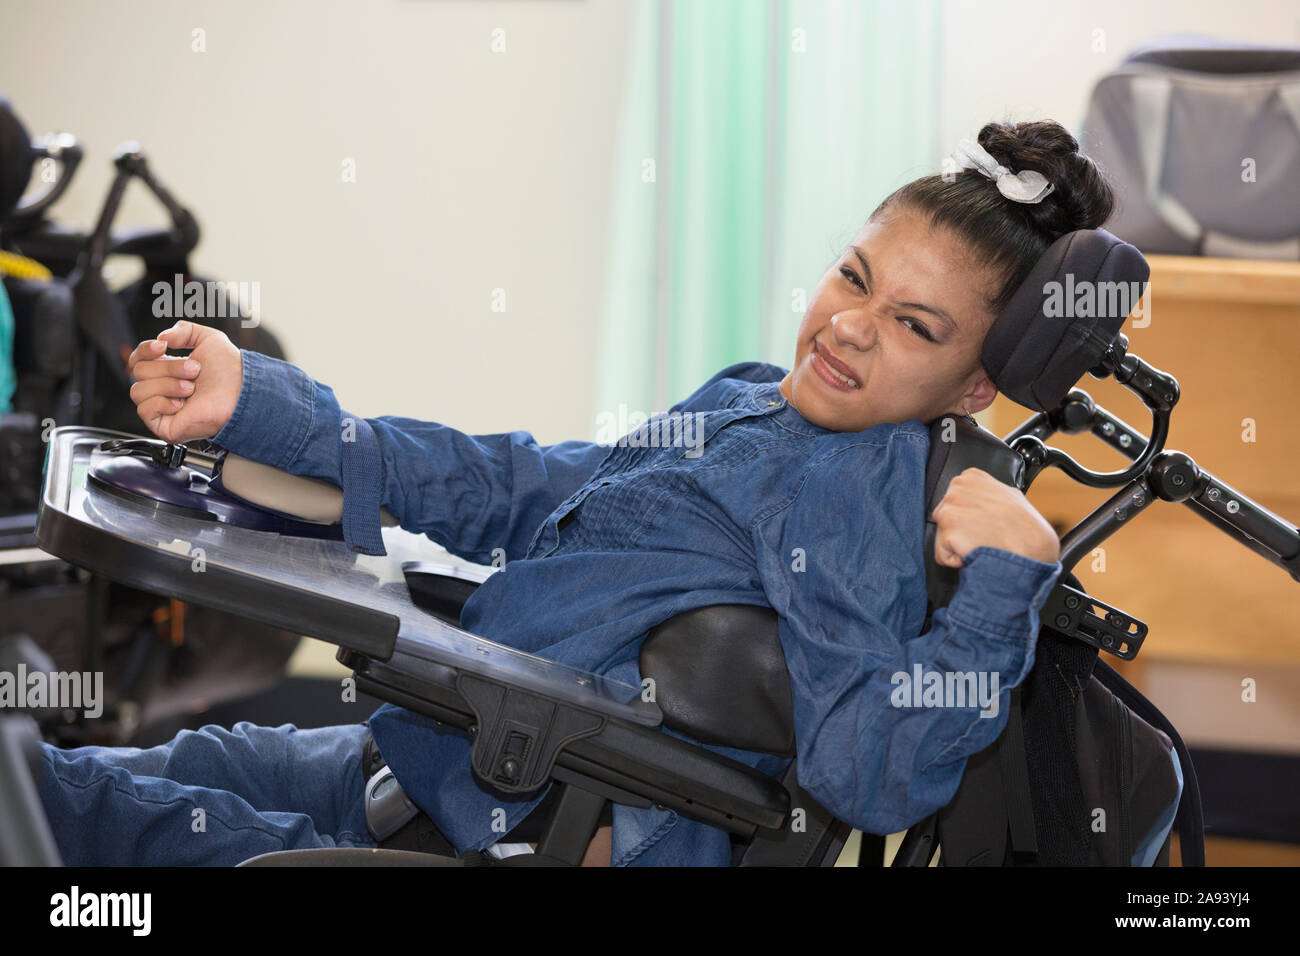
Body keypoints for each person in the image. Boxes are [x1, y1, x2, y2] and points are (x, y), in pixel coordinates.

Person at [37, 119, 1107, 867]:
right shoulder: (751, 399)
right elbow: (525, 484)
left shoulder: (848, 495)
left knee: (70, 812)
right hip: (422, 757)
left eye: (916, 325)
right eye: (855, 276)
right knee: (100, 775)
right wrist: (270, 409)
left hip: (517, 823)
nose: (850, 325)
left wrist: (1003, 586)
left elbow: (869, 770)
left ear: (974, 382)